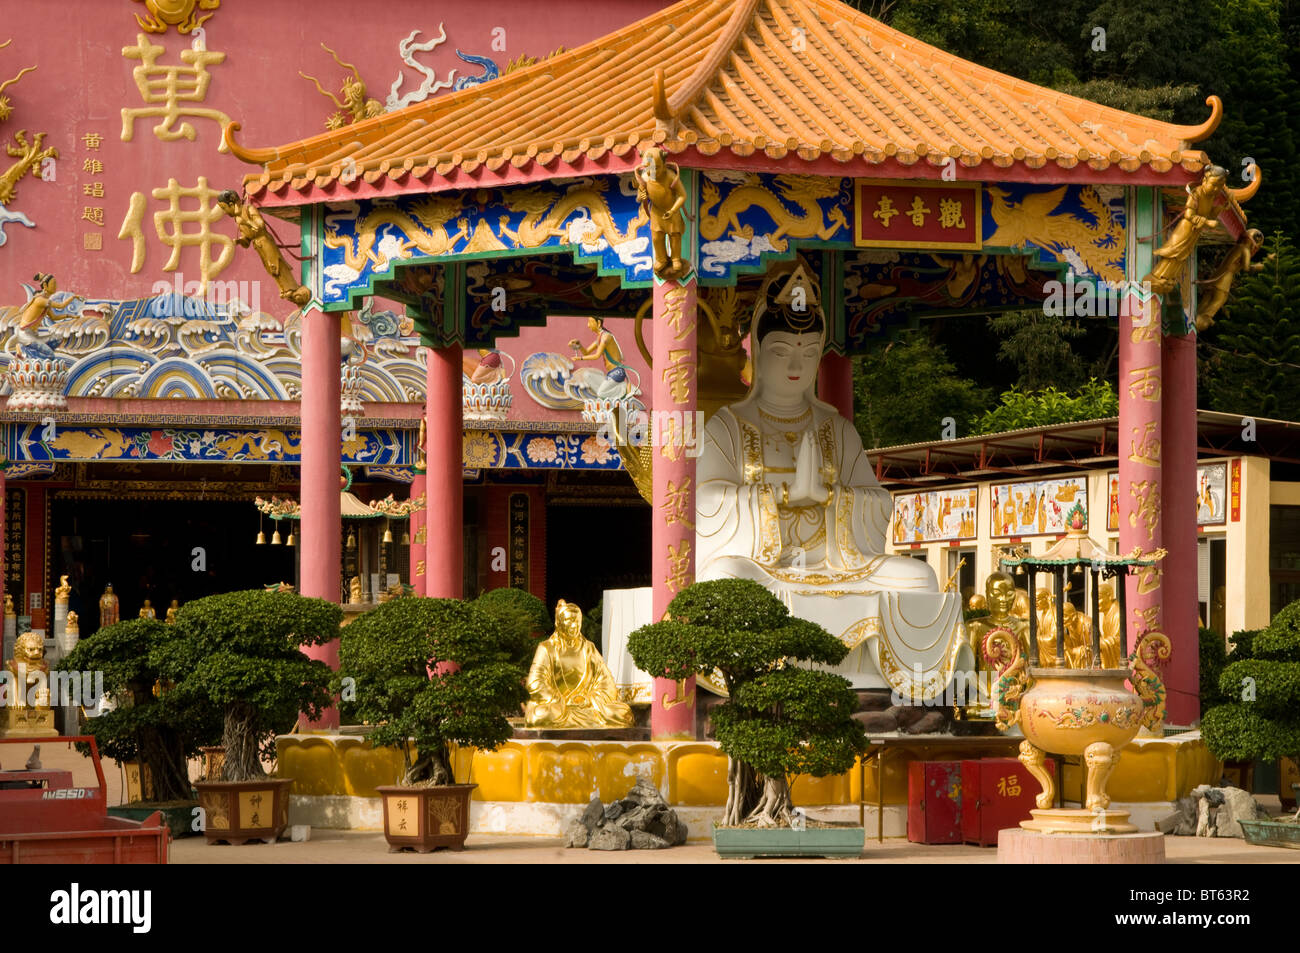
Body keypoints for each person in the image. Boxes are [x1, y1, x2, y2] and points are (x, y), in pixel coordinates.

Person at [695, 262, 967, 700]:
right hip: (762, 567)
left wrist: (830, 497)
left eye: (809, 351)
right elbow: (705, 501)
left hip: (838, 563)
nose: (796, 365)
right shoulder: (726, 427)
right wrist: (784, 496)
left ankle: (891, 680)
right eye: (783, 350)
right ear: (759, 353)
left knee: (920, 580)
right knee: (725, 579)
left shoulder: (836, 429)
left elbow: (877, 500)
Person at [524, 599, 633, 728]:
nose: (573, 625)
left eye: (577, 621)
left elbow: (606, 680)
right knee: (539, 716)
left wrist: (589, 699)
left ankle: (580, 719)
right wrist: (560, 700)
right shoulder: (547, 648)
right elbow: (534, 682)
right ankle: (581, 719)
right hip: (558, 707)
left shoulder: (588, 648)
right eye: (569, 620)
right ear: (559, 622)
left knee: (624, 713)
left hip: (588, 706)